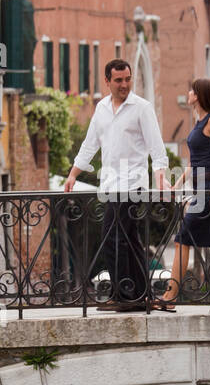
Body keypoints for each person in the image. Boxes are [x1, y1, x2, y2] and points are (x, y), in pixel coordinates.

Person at [64, 59, 169, 310]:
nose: (124, 85)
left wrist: (160, 177)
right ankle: (142, 294)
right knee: (130, 240)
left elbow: (157, 147)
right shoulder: (101, 109)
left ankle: (124, 295)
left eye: (128, 79)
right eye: (119, 80)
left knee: (112, 238)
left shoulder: (142, 108)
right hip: (110, 184)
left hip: (132, 184)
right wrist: (73, 175)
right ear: (107, 81)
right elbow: (90, 145)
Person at [156, 78, 210, 312]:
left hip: (209, 192)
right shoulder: (199, 122)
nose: (188, 93)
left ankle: (171, 295)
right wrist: (177, 186)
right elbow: (193, 163)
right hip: (200, 190)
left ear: (200, 94)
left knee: (183, 237)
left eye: (192, 90)